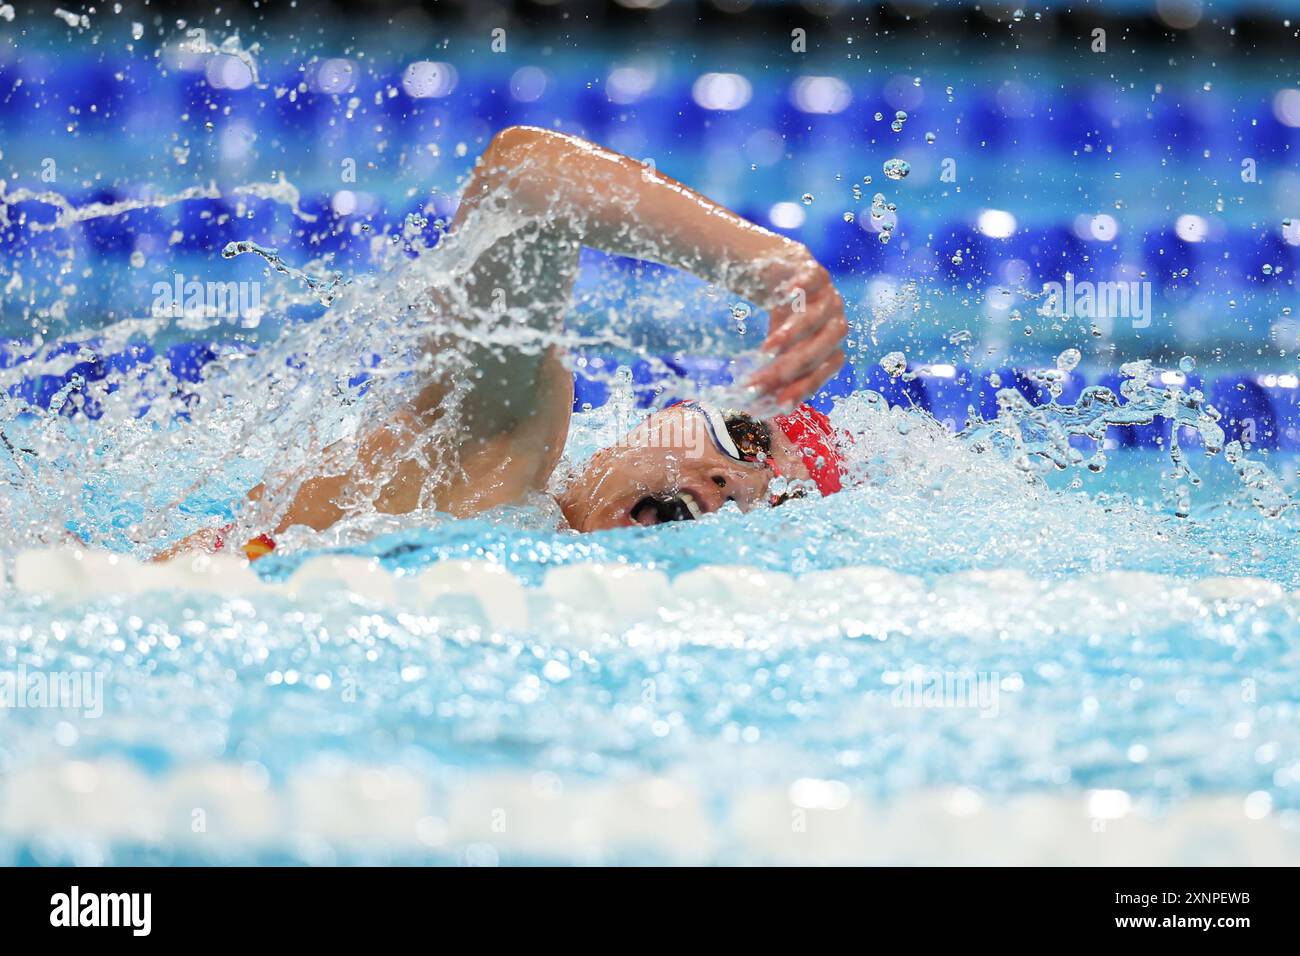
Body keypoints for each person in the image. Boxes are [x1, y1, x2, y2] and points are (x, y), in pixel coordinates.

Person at [158, 126, 849, 560]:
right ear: (660, 418)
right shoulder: (506, 444)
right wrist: (767, 264)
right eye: (744, 438)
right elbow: (527, 180)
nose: (735, 483)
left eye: (771, 500)